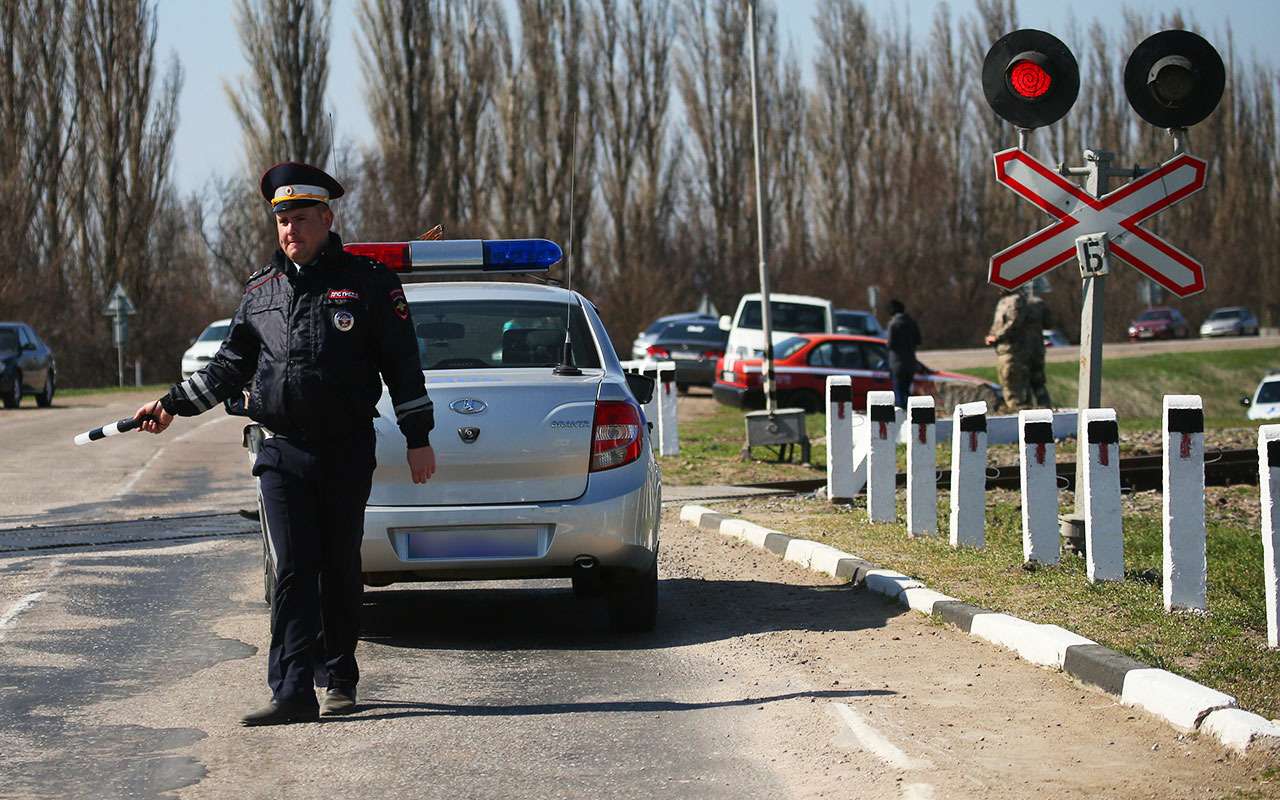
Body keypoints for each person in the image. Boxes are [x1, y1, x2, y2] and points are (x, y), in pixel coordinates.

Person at [133, 162, 436, 726]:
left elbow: (403, 367)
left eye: (299, 219)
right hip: (281, 448)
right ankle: (293, 690)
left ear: (326, 218)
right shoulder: (260, 290)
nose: (289, 231)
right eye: (281, 222)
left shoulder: (369, 283)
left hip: (346, 447)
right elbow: (229, 366)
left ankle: (341, 675)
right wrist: (170, 405)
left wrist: (419, 439)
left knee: (339, 563)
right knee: (293, 565)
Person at [984, 289, 1032, 412]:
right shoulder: (1003, 301)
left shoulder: (1015, 300)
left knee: (1012, 382)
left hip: (1013, 349)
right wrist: (991, 335)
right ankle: (1013, 409)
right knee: (1006, 383)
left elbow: (1014, 322)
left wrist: (997, 336)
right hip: (1002, 349)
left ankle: (1018, 412)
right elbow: (998, 323)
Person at [885, 299, 921, 409]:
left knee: (899, 392)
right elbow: (919, 340)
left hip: (897, 364)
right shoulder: (912, 323)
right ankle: (909, 413)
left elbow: (890, 344)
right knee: (907, 391)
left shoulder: (893, 324)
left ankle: (901, 416)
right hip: (910, 363)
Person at [1023, 291, 1052, 407]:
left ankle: (1027, 410)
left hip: (1021, 351)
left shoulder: (1016, 303)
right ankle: (1045, 407)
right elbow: (1049, 323)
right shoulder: (1039, 304)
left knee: (1023, 384)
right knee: (1039, 383)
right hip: (1037, 349)